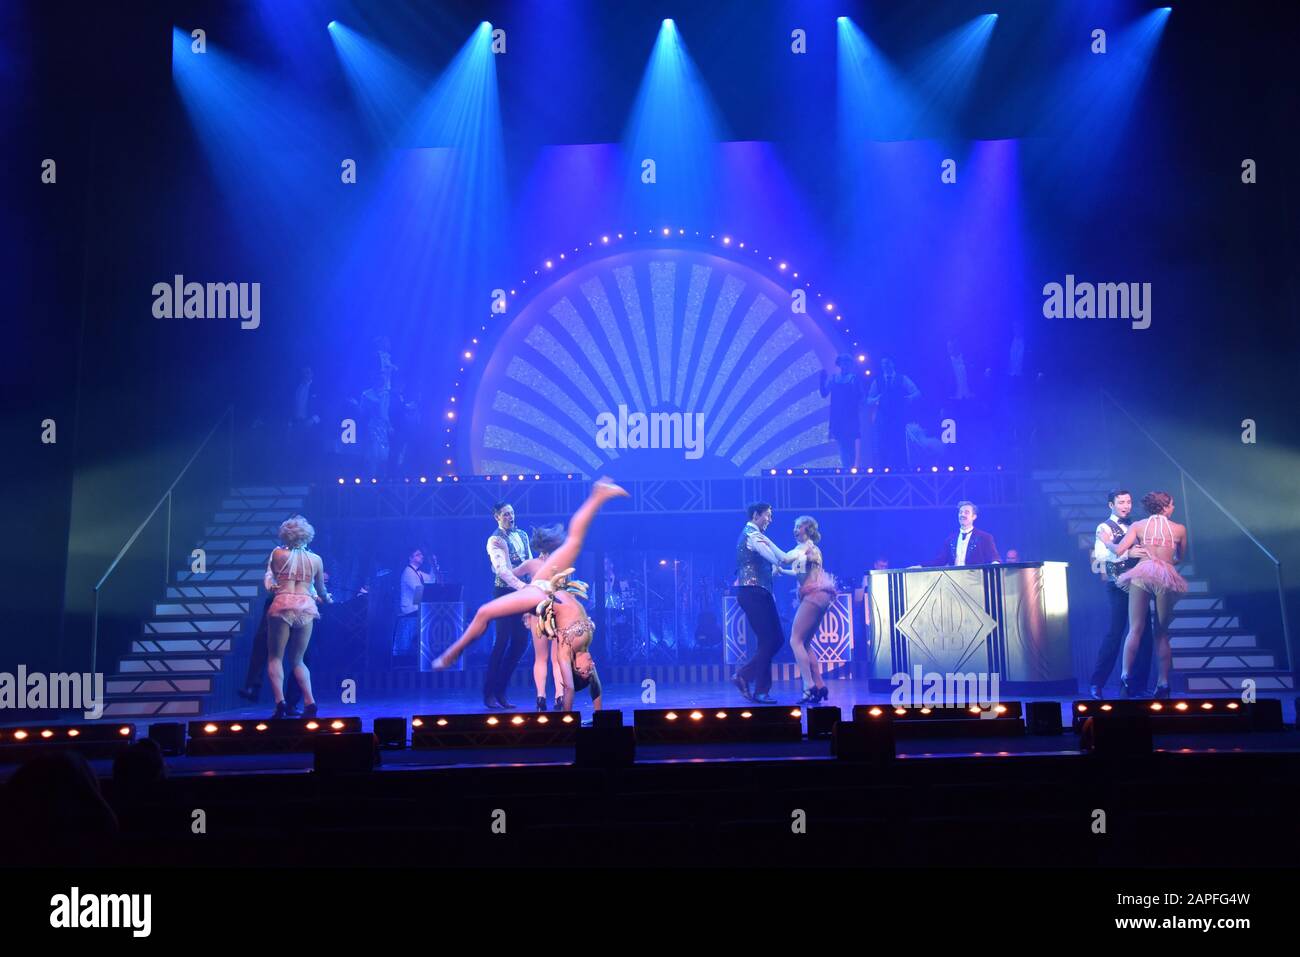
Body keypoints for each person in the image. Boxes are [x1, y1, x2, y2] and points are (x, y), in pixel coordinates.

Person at [433, 480, 628, 686]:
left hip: (540, 594)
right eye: (590, 667)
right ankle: (598, 496)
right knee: (573, 541)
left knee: (485, 613)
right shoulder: (583, 645)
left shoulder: (569, 653)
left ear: (576, 668)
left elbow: (572, 681)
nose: (590, 664)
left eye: (585, 668)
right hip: (540, 593)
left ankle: (452, 653)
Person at [1103, 491, 1189, 698]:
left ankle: (1125, 677)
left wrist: (1106, 541)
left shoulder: (1138, 526)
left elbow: (1118, 550)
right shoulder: (1179, 529)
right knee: (1161, 633)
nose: (1174, 508)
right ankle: (1163, 683)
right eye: (1172, 504)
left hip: (1142, 574)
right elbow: (1180, 557)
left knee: (1135, 629)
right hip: (1165, 577)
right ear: (1165, 507)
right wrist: (1165, 563)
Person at [514, 526, 604, 712]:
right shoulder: (551, 564)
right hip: (546, 613)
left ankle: (547, 697)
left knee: (548, 658)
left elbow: (511, 577)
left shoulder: (534, 564)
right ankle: (555, 696)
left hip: (551, 614)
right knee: (550, 658)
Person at [263, 515, 332, 719]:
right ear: (307, 535)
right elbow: (321, 590)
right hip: (305, 606)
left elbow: (270, 576)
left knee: (275, 657)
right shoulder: (316, 559)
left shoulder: (276, 554)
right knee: (298, 660)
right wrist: (327, 599)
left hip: (282, 604)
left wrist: (273, 585)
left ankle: (280, 703)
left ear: (286, 534)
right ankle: (310, 701)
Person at [1087, 489, 1153, 698]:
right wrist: (1128, 552)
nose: (1126, 505)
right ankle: (1097, 683)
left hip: (1140, 584)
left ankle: (1138, 685)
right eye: (1121, 502)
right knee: (1115, 633)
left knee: (1145, 635)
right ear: (1111, 505)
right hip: (1118, 584)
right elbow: (1100, 554)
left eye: (1129, 501)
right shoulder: (1105, 527)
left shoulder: (1136, 525)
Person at [730, 502, 796, 703]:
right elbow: (769, 555)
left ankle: (744, 675)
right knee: (768, 640)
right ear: (756, 515)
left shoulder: (760, 534)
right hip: (752, 593)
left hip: (761, 593)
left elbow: (782, 558)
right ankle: (760, 690)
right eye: (767, 515)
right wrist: (775, 562)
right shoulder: (752, 534)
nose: (770, 519)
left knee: (776, 639)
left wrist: (802, 551)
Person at [480, 501, 534, 709]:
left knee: (521, 643)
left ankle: (501, 690)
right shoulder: (495, 540)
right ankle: (489, 693)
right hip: (504, 592)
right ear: (497, 517)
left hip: (522, 592)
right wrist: (522, 586)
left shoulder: (522, 535)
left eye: (511, 513)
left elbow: (528, 560)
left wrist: (535, 580)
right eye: (505, 514)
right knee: (502, 641)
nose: (510, 517)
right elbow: (501, 570)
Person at [779, 515, 837, 705]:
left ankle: (808, 686)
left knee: (795, 640)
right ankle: (820, 686)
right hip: (821, 596)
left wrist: (765, 544)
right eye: (794, 527)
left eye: (799, 527)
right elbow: (798, 571)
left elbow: (785, 558)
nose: (795, 530)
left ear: (808, 529)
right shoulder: (812, 549)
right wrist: (781, 571)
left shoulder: (801, 549)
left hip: (813, 596)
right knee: (806, 643)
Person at [866, 357, 921, 467]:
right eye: (883, 364)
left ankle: (900, 470)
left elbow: (917, 393)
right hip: (882, 419)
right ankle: (884, 472)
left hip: (898, 418)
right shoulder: (877, 381)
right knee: (883, 445)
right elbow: (869, 400)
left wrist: (909, 398)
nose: (885, 365)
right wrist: (877, 399)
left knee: (899, 444)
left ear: (893, 364)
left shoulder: (902, 378)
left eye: (887, 363)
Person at [819, 354, 866, 468]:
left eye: (848, 362)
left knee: (850, 444)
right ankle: (846, 469)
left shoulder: (854, 379)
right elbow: (824, 393)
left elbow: (861, 397)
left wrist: (857, 408)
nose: (845, 365)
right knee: (841, 444)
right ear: (840, 364)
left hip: (850, 416)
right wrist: (822, 380)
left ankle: (851, 469)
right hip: (837, 416)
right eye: (843, 362)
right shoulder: (834, 378)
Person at [394, 547, 436, 662]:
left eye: (421, 554)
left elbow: (432, 581)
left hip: (416, 608)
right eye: (418, 555)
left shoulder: (419, 573)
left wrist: (434, 566)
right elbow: (419, 592)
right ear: (410, 558)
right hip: (410, 609)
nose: (421, 556)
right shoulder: (408, 572)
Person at [928, 501, 1001, 566]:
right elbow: (940, 560)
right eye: (960, 512)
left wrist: (995, 565)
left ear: (974, 517)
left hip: (976, 579)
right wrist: (922, 566)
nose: (962, 514)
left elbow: (994, 558)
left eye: (966, 512)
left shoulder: (985, 538)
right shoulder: (950, 539)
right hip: (954, 579)